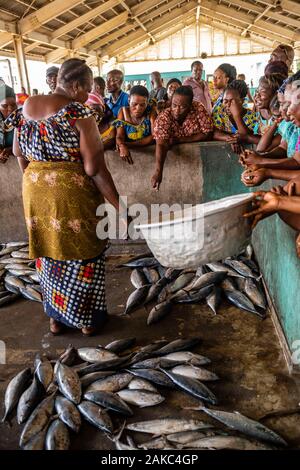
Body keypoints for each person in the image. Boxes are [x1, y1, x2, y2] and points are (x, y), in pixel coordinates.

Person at [6, 58, 124, 336]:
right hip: (71, 194)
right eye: (87, 88)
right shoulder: (78, 113)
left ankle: (56, 319)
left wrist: (36, 178)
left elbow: (18, 153)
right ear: (75, 85)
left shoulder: (28, 106)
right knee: (83, 250)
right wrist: (120, 206)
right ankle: (87, 321)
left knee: (49, 252)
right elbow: (94, 168)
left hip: (34, 190)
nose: (88, 95)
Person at [151, 86, 213, 190]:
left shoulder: (198, 108)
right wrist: (158, 172)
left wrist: (180, 140)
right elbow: (161, 143)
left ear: (190, 105)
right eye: (174, 105)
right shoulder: (164, 117)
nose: (177, 110)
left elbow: (208, 133)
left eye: (182, 107)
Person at [114, 85, 157, 164]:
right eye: (134, 104)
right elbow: (119, 136)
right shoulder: (122, 112)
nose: (138, 108)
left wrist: (128, 145)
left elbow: (154, 136)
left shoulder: (151, 112)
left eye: (142, 105)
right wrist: (122, 146)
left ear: (147, 103)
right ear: (129, 100)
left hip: (148, 158)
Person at [213, 79, 259, 147]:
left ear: (242, 101)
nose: (228, 105)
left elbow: (246, 137)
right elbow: (214, 133)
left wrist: (236, 116)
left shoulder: (252, 116)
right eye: (225, 101)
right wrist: (231, 139)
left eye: (232, 102)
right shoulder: (219, 110)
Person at [0, 83, 17, 163]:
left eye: (13, 105)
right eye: (4, 106)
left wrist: (11, 149)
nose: (10, 109)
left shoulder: (24, 120)